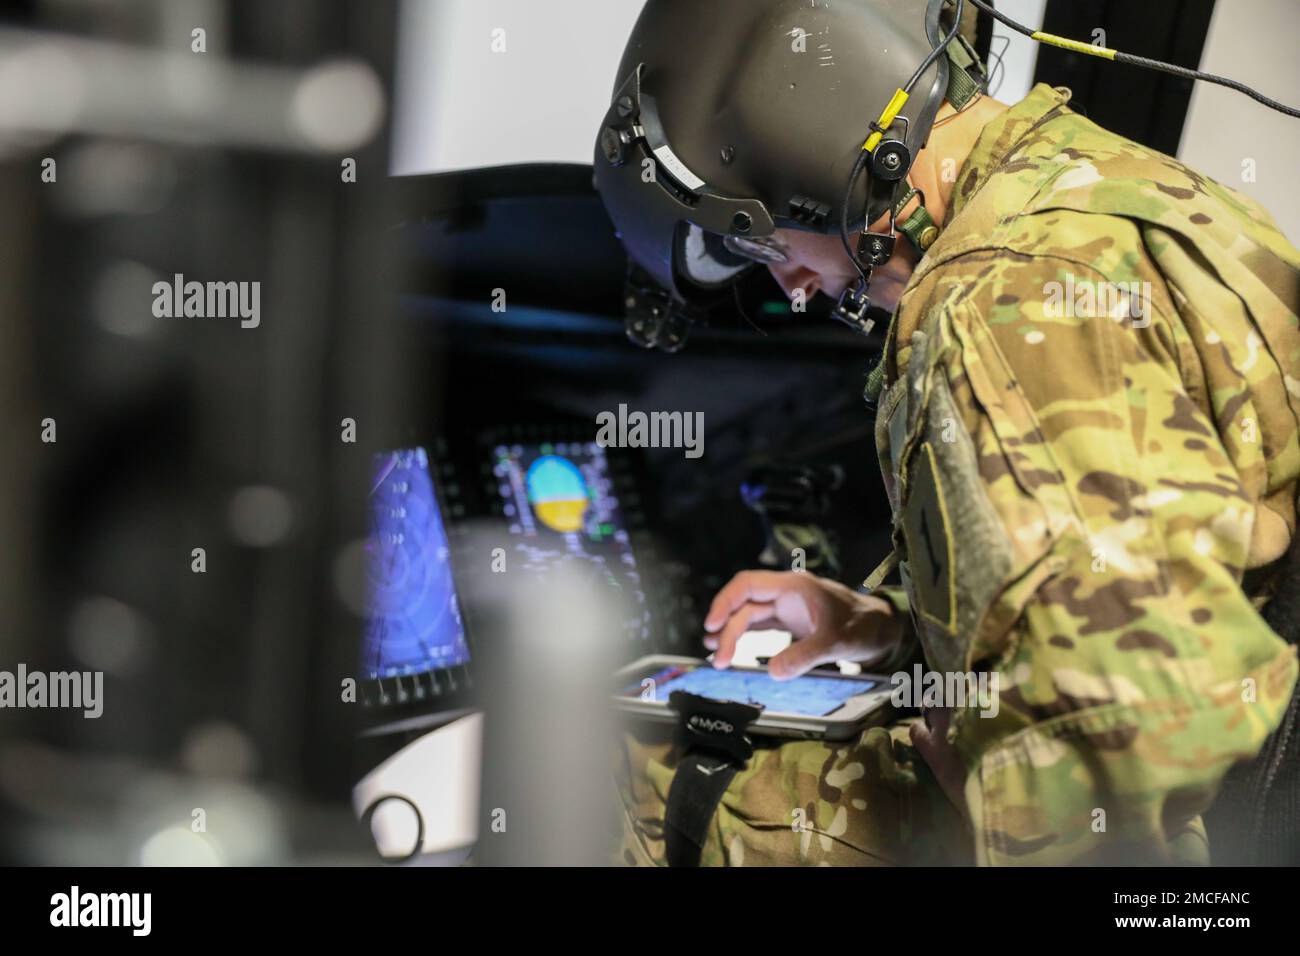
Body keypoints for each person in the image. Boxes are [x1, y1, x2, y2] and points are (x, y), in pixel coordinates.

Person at [596, 0, 1300, 865]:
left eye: (766, 247)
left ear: (806, 140)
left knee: (655, 780)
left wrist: (993, 796)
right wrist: (886, 624)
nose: (797, 291)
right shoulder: (1115, 188)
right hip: (1239, 774)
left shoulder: (997, 309)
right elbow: (1129, 558)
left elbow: (1124, 752)